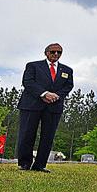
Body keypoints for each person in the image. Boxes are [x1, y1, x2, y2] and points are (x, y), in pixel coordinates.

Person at [16, 43, 74, 173]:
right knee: (27, 134)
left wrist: (56, 96)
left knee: (48, 136)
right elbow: (28, 82)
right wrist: (44, 94)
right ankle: (24, 163)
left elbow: (68, 86)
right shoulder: (33, 66)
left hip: (54, 106)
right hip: (32, 105)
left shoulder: (67, 70)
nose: (56, 55)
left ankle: (40, 165)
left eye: (59, 52)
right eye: (53, 52)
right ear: (46, 53)